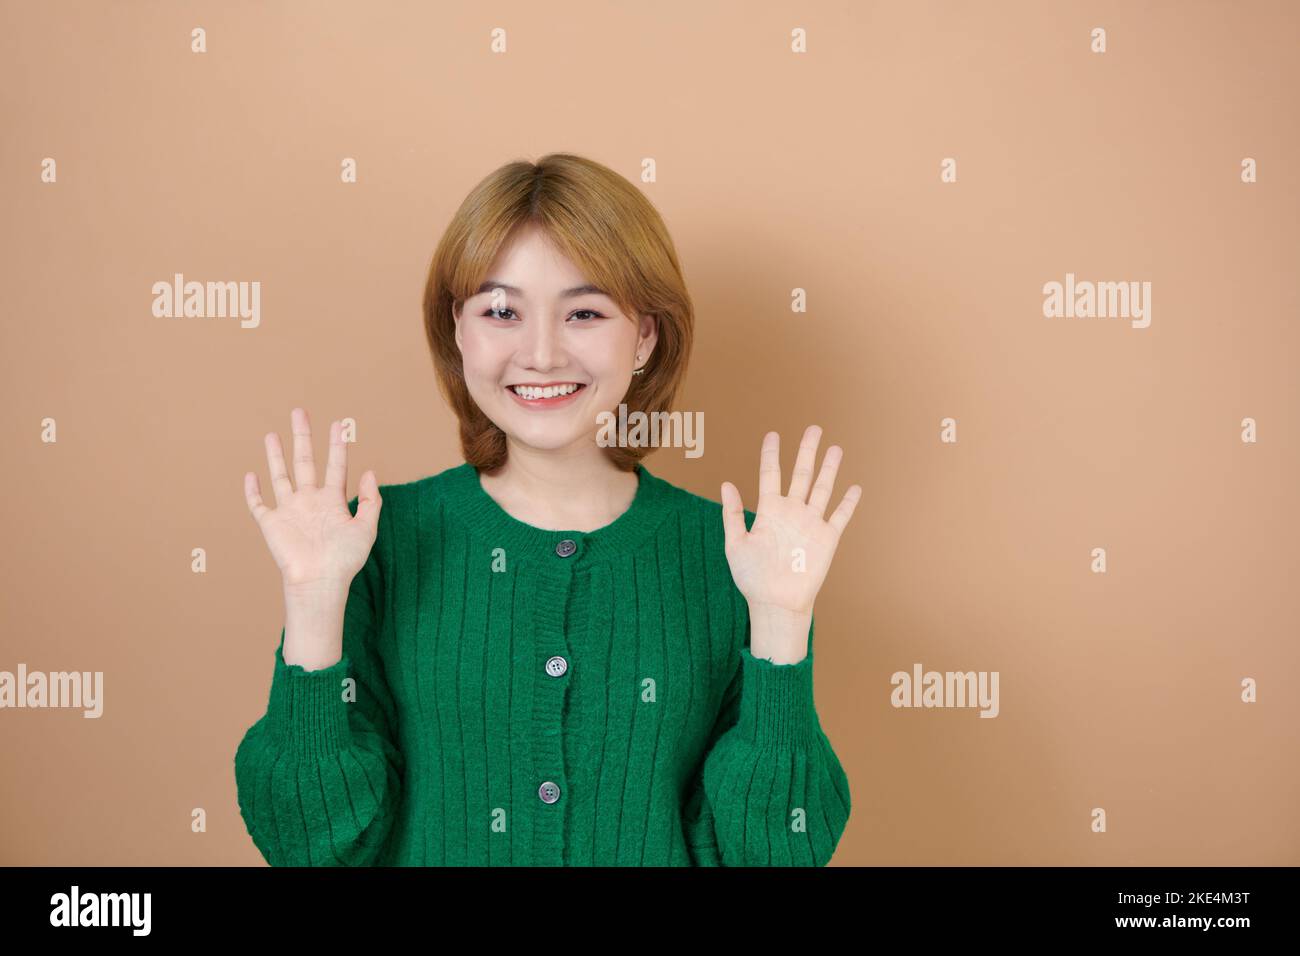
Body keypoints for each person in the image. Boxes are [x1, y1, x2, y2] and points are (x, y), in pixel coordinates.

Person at [233, 153, 861, 866]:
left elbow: (778, 853)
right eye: (501, 312)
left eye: (585, 313)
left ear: (645, 337)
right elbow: (307, 846)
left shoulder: (736, 556)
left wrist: (783, 625)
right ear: (459, 331)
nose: (540, 354)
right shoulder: (371, 544)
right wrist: (314, 609)